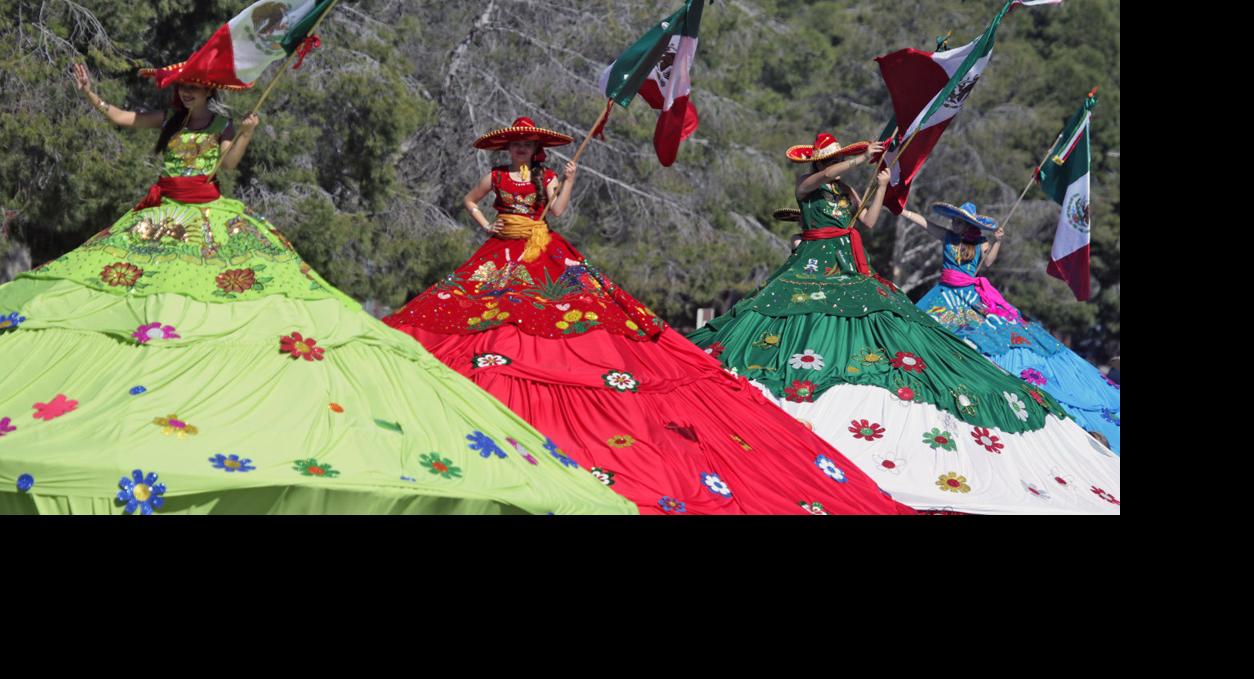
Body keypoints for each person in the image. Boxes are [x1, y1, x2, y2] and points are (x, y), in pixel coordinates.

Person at [0, 66, 632, 515]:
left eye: (194, 87)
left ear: (209, 92)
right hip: (162, 216)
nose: (187, 94)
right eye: (184, 87)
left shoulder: (218, 123)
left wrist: (244, 130)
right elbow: (119, 116)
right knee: (147, 302)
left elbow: (228, 169)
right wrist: (88, 94)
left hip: (532, 245)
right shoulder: (166, 123)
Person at [384, 118, 912, 515]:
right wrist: (490, 226)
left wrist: (567, 181)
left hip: (545, 243)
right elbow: (468, 200)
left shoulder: (542, 178)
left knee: (561, 311)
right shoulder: (497, 176)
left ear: (536, 149)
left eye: (526, 146)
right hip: (505, 247)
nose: (520, 151)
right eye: (516, 145)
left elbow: (560, 212)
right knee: (491, 311)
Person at [686, 133, 1121, 514]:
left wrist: (876, 187)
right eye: (829, 160)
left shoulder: (847, 193)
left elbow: (871, 222)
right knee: (793, 319)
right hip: (814, 264)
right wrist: (859, 159)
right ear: (818, 162)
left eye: (835, 161)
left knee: (870, 322)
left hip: (849, 261)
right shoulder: (809, 187)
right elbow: (814, 181)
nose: (830, 167)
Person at [903, 201, 1122, 452]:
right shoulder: (949, 237)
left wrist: (996, 241)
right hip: (944, 294)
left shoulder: (980, 243)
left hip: (970, 295)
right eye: (953, 220)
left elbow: (987, 264)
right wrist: (903, 211)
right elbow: (926, 224)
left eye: (958, 220)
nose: (953, 223)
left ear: (968, 224)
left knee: (989, 332)